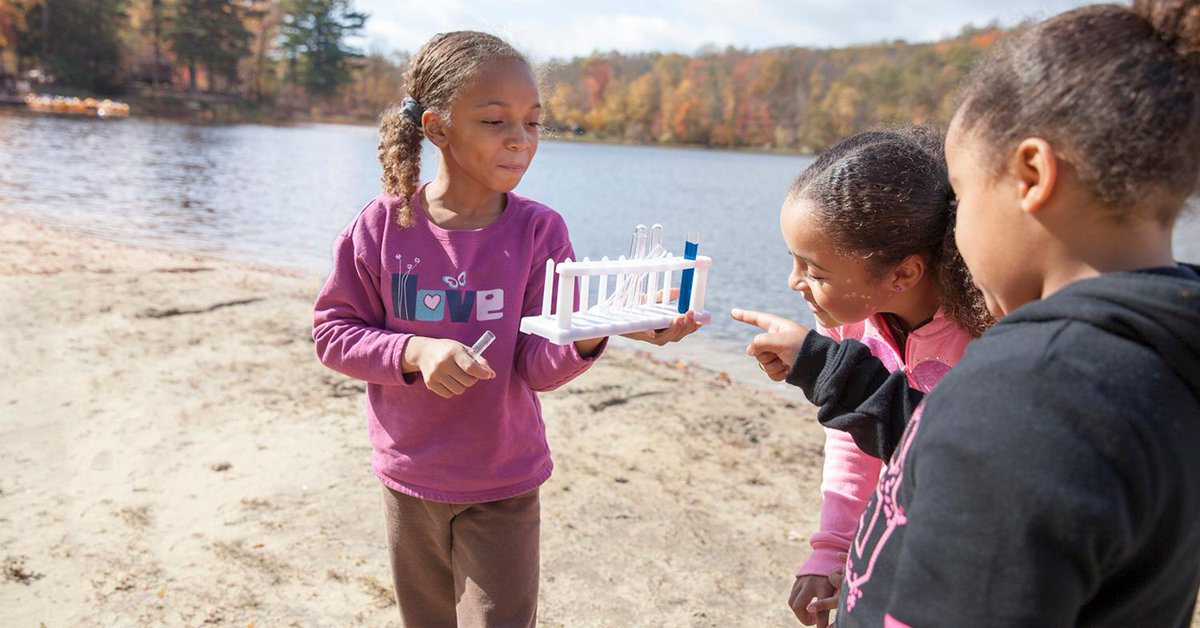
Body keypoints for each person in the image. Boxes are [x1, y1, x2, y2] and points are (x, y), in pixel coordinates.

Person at [745, 1, 1200, 625]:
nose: (950, 236)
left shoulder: (1014, 396)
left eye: (963, 195)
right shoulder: (1169, 360)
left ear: (1032, 175)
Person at [312, 31, 696, 627]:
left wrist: (595, 331)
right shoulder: (384, 225)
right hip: (410, 478)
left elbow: (537, 366)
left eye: (533, 123)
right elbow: (333, 333)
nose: (520, 139)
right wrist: (415, 349)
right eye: (495, 121)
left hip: (504, 479)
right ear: (438, 128)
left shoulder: (540, 232)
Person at [732, 126, 991, 628]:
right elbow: (855, 435)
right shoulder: (853, 323)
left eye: (815, 271)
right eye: (794, 261)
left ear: (903, 275)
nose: (794, 282)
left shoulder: (983, 338)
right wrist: (831, 550)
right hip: (884, 554)